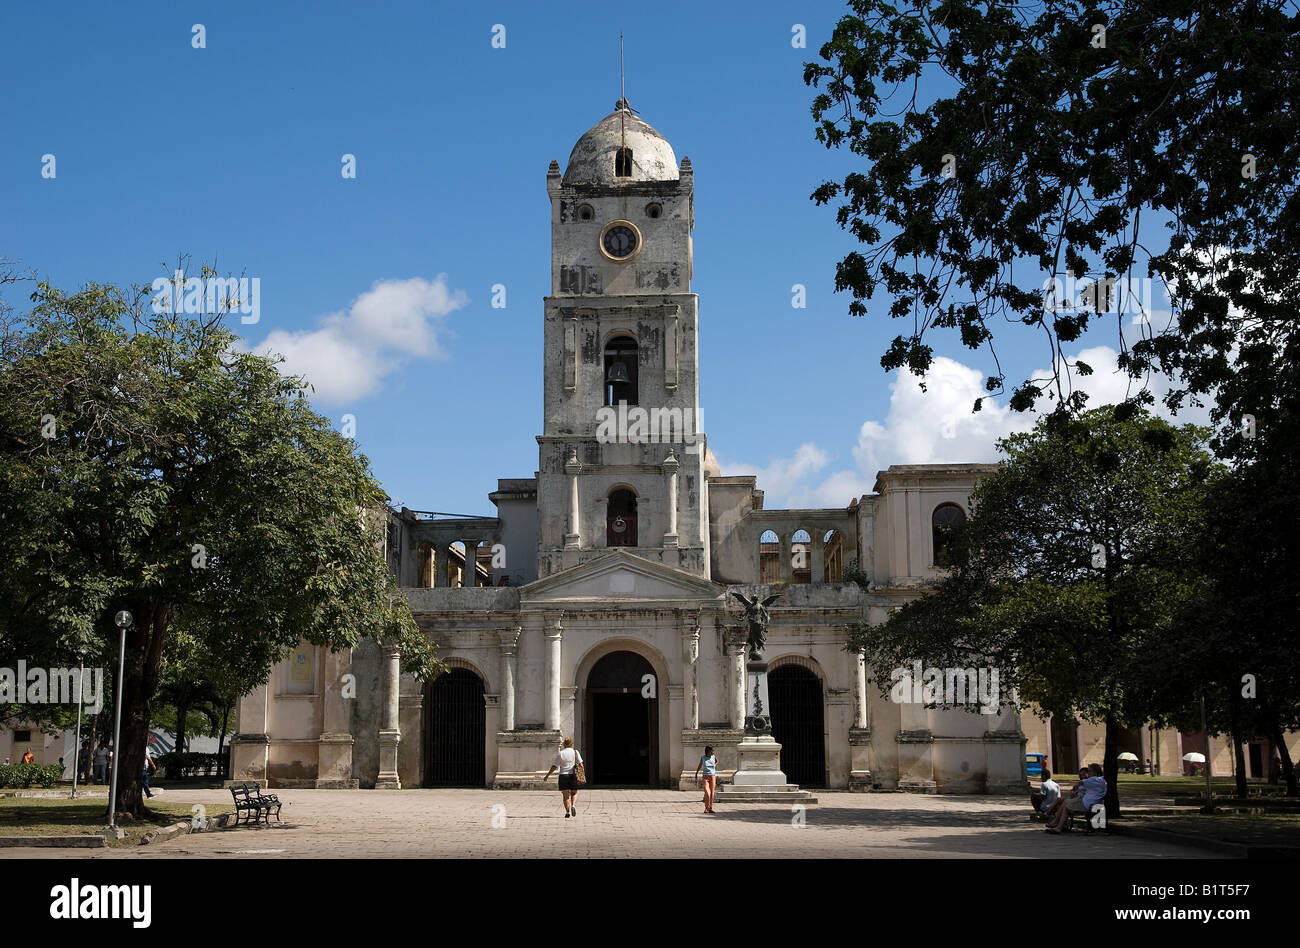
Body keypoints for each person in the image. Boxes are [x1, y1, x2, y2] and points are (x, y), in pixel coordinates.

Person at [1046, 763, 1107, 833]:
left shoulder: (1094, 779)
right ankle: (1058, 825)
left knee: (1066, 804)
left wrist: (1074, 788)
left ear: (1095, 772)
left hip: (1086, 804)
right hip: (1091, 803)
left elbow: (1080, 782)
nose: (1088, 773)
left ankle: (1057, 825)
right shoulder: (1101, 780)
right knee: (1066, 804)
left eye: (1090, 771)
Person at [543, 737, 584, 818]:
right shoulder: (575, 752)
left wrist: (547, 775)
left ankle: (567, 812)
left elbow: (554, 766)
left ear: (564, 744)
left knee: (565, 796)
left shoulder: (561, 753)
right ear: (571, 744)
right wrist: (582, 774)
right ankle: (573, 806)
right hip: (573, 775)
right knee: (574, 793)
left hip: (563, 776)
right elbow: (581, 765)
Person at [694, 745, 718, 813]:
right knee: (707, 792)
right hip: (705, 776)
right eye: (712, 750)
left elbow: (717, 761)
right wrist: (696, 773)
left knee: (712, 793)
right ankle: (706, 807)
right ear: (708, 751)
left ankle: (710, 808)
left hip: (712, 776)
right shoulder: (703, 757)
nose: (713, 752)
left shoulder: (713, 757)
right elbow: (700, 765)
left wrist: (715, 765)